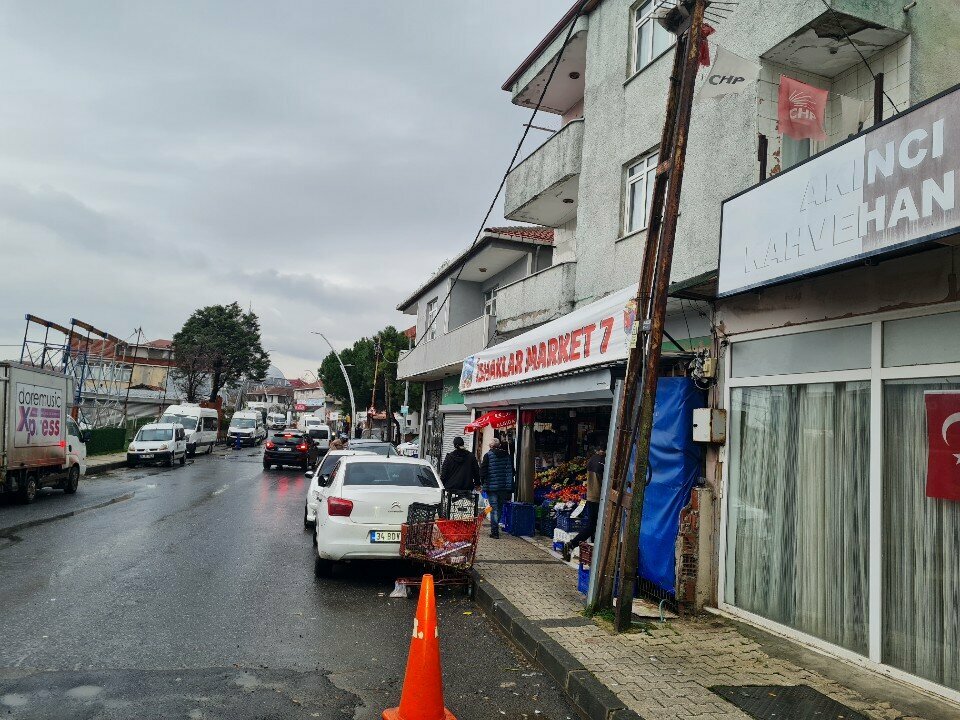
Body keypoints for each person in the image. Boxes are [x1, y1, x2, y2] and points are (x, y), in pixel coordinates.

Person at [563, 446, 605, 561]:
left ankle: (589, 551)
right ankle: (573, 544)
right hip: (599, 498)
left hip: (591, 496)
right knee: (593, 527)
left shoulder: (592, 459)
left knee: (593, 526)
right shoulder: (603, 462)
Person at [480, 437, 515, 539]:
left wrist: (483, 483)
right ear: (499, 445)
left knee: (493, 508)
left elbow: (483, 471)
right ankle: (495, 529)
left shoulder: (488, 456)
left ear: (491, 446)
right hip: (503, 487)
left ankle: (494, 531)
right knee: (499, 508)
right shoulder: (507, 456)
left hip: (491, 487)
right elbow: (512, 471)